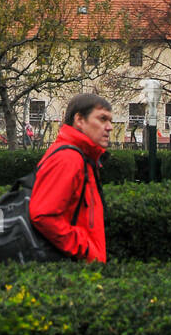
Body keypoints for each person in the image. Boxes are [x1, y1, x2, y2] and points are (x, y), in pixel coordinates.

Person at [29, 93, 111, 263]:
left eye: (110, 120)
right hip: (71, 271)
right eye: (102, 119)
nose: (109, 127)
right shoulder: (68, 158)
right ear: (79, 120)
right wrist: (87, 252)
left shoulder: (83, 157)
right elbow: (43, 214)